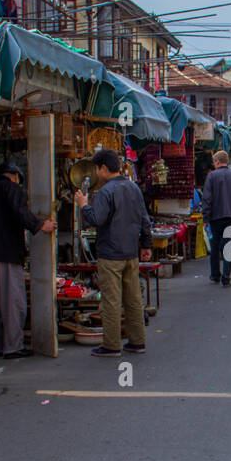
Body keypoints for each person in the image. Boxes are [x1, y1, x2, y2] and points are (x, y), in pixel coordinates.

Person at [77, 149, 152, 357]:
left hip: (110, 253)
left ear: (102, 168)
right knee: (133, 300)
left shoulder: (105, 192)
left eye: (95, 168)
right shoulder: (133, 188)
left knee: (111, 301)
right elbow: (144, 219)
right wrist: (146, 244)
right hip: (130, 252)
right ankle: (137, 342)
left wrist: (83, 206)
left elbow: (96, 219)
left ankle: (111, 345)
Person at [0, 162, 56, 359]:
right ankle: (13, 346)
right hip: (7, 252)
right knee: (12, 301)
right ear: (14, 176)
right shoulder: (12, 189)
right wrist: (39, 225)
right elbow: (20, 213)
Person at [201, 150, 231, 287]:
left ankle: (215, 274)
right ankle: (226, 276)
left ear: (217, 162)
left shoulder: (211, 176)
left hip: (215, 217)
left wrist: (206, 217)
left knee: (214, 247)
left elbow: (207, 199)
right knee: (228, 246)